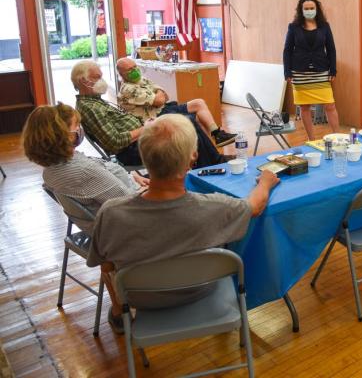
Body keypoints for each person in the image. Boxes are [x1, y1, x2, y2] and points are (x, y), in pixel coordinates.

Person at [86, 114, 280, 334]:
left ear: (143, 155)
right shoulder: (215, 207)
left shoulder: (111, 213)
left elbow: (106, 266)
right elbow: (255, 207)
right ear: (193, 157)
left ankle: (119, 316)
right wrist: (265, 183)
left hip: (139, 298)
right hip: (202, 289)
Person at [72, 60, 233, 168]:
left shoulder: (95, 101)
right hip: (132, 150)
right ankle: (212, 163)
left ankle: (210, 163)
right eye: (97, 77)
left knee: (188, 120)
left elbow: (162, 95)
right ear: (83, 81)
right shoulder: (90, 107)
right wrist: (147, 128)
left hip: (142, 136)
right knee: (186, 123)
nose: (102, 80)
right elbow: (114, 142)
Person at [22, 103, 149, 230]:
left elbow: (103, 181)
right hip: (128, 225)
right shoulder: (84, 171)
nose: (80, 129)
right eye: (77, 125)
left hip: (112, 215)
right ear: (65, 135)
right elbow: (130, 205)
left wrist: (131, 177)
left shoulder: (50, 171)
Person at [115, 57, 236, 147]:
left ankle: (217, 134)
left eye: (135, 67)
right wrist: (158, 94)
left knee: (198, 103)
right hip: (154, 118)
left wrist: (159, 94)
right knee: (192, 118)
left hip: (162, 109)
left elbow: (164, 96)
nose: (135, 70)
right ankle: (206, 155)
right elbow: (160, 99)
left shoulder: (141, 80)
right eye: (130, 69)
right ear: (121, 74)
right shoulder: (128, 89)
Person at [283, 0, 340, 140]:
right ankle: (312, 139)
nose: (309, 11)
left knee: (330, 105)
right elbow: (287, 50)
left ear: (317, 9)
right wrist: (287, 72)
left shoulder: (324, 26)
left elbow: (331, 49)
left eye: (312, 8)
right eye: (306, 8)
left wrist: (333, 69)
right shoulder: (293, 27)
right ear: (301, 10)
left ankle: (338, 137)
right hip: (300, 73)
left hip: (321, 71)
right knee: (304, 107)